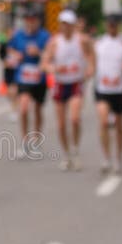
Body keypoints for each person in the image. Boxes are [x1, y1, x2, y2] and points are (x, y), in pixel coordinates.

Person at [42, 9, 94, 171]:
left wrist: (89, 70)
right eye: (63, 24)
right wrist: (53, 68)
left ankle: (76, 150)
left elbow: (92, 56)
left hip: (76, 83)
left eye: (68, 24)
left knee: (75, 118)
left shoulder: (82, 40)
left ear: (73, 25)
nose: (65, 27)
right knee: (61, 125)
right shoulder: (54, 42)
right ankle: (66, 155)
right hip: (60, 84)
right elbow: (44, 63)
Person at [94, 16, 122, 175]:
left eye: (114, 25)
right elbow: (92, 64)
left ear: (119, 26)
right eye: (109, 25)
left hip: (119, 90)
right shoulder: (99, 44)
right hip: (102, 89)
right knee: (103, 121)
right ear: (106, 26)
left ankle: (118, 158)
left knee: (119, 126)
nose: (112, 28)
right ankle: (106, 158)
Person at [7, 4, 51, 156]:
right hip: (23, 77)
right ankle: (25, 141)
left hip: (39, 78)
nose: (30, 22)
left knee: (38, 109)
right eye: (28, 19)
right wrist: (16, 55)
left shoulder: (45, 36)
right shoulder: (18, 35)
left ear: (38, 21)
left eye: (33, 19)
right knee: (24, 108)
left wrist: (38, 53)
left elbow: (50, 54)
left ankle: (36, 140)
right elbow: (10, 50)